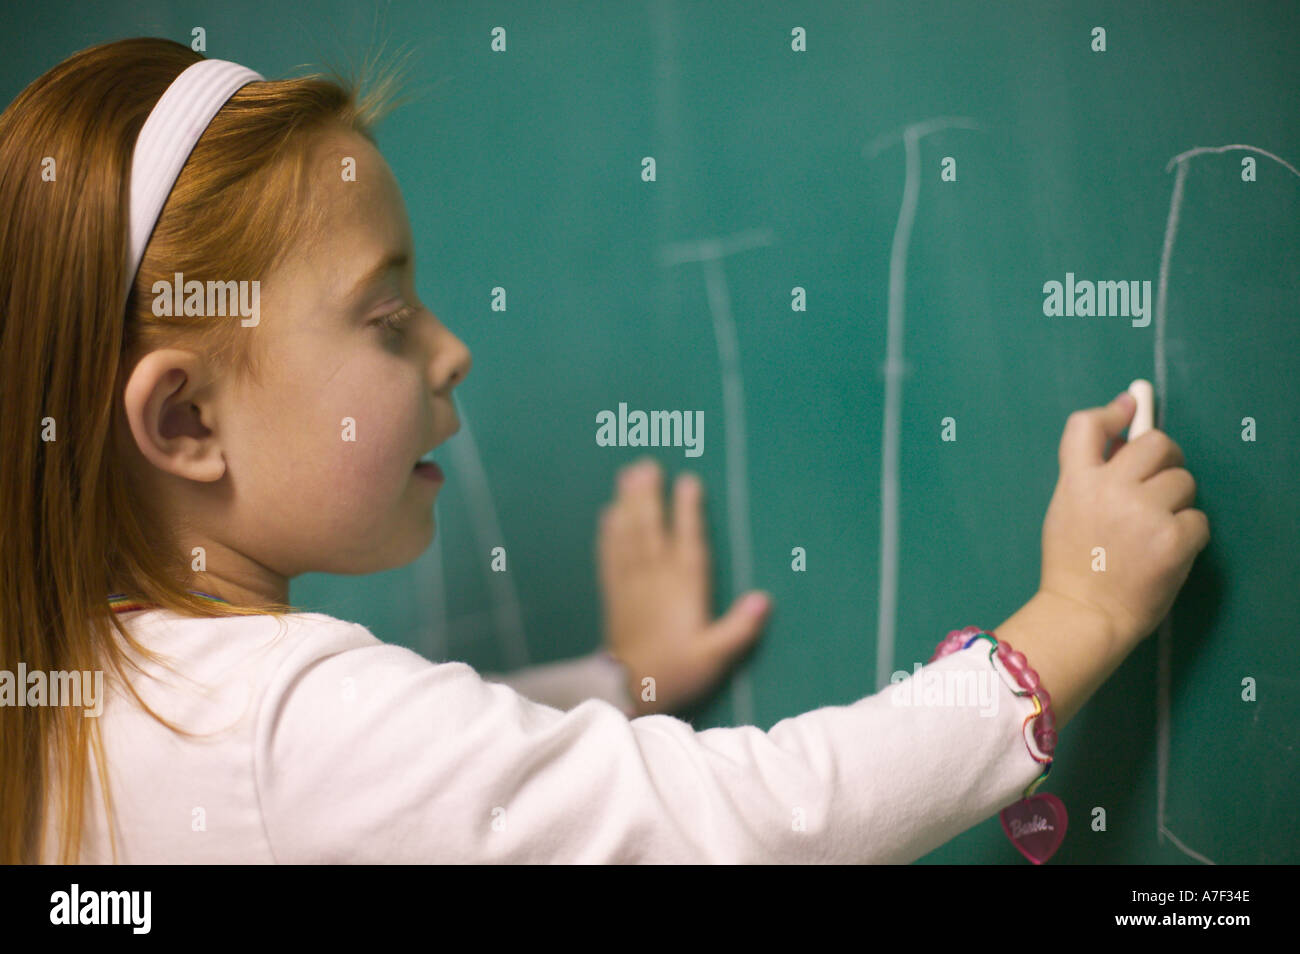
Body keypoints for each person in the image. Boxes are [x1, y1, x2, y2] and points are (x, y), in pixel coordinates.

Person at [0, 38, 1208, 863]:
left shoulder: (84, 703)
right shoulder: (281, 723)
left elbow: (429, 787)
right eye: (386, 316)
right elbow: (745, 827)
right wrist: (1074, 619)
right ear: (185, 423)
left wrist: (618, 676)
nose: (451, 348)